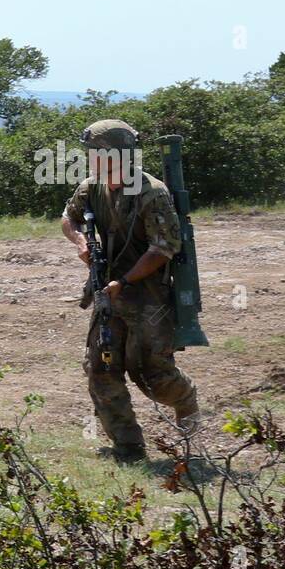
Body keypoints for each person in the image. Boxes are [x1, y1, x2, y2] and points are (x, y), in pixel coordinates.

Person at [60, 119, 200, 463]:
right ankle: (129, 448)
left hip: (147, 297)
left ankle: (186, 402)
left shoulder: (151, 192)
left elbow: (163, 248)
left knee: (152, 377)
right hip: (107, 295)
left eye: (95, 153)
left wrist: (123, 281)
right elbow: (68, 217)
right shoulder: (91, 187)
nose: (90, 159)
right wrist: (81, 242)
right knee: (100, 368)